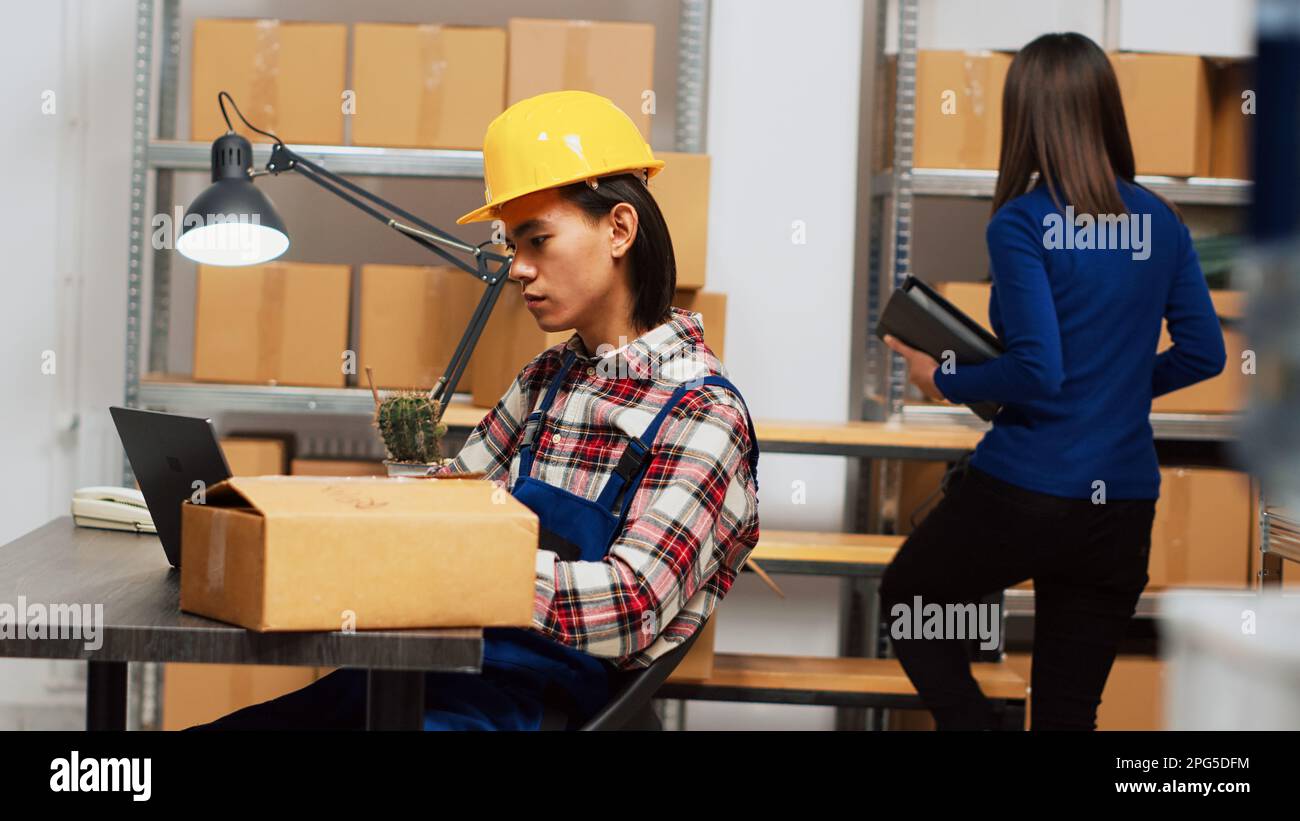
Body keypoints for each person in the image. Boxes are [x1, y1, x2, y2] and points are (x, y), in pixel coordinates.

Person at [188, 90, 761, 731]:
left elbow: (629, 608)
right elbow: (447, 503)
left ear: (619, 229)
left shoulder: (703, 415)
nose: (517, 268)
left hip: (522, 706)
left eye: (538, 240)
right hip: (427, 670)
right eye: (513, 244)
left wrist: (462, 562)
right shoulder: (549, 377)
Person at [878, 32, 1226, 730]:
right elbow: (1205, 354)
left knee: (908, 600)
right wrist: (1117, 389)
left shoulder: (1023, 223)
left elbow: (1038, 368)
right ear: (1104, 109)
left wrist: (941, 374)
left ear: (1026, 117)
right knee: (1069, 713)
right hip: (1122, 506)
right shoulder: (1161, 221)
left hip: (1026, 490)